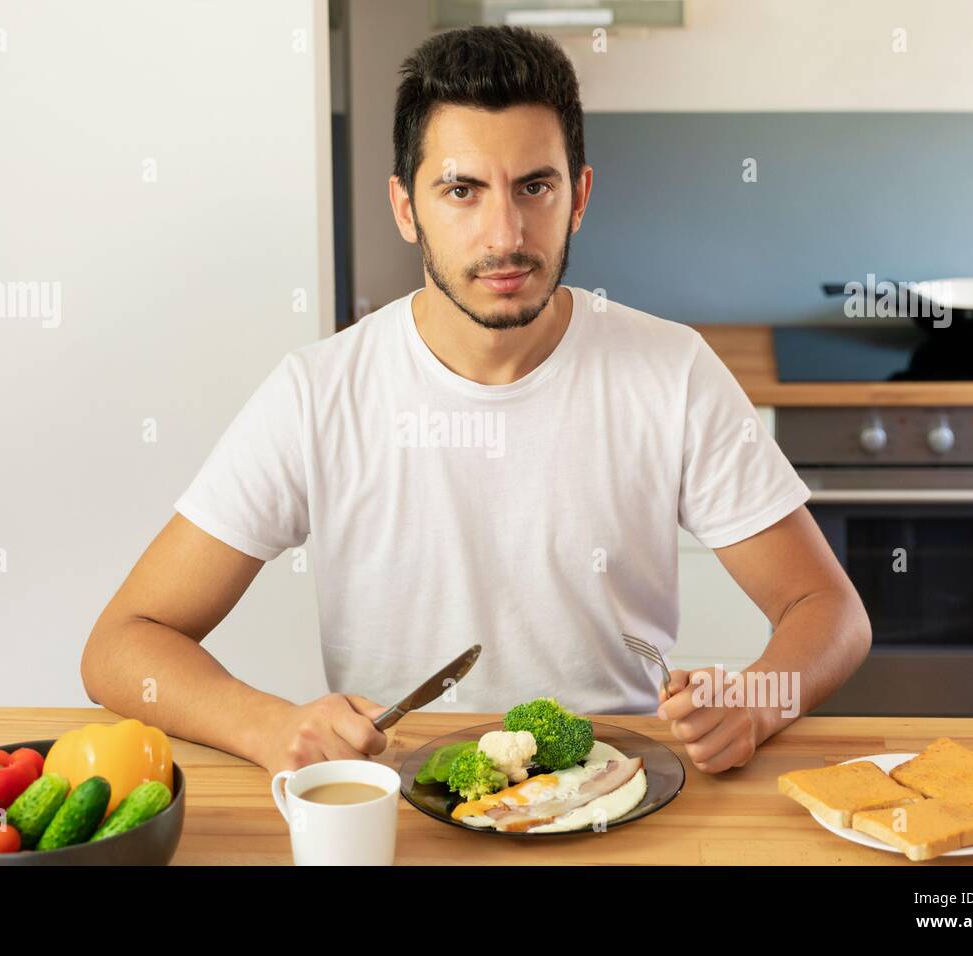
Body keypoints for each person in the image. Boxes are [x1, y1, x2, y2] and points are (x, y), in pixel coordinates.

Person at [80, 25, 870, 779]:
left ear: (579, 196)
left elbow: (828, 610)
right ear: (405, 207)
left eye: (536, 186)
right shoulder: (317, 394)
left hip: (622, 791)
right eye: (462, 190)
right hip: (404, 801)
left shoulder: (671, 371)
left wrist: (760, 701)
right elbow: (122, 644)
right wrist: (269, 725)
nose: (506, 233)